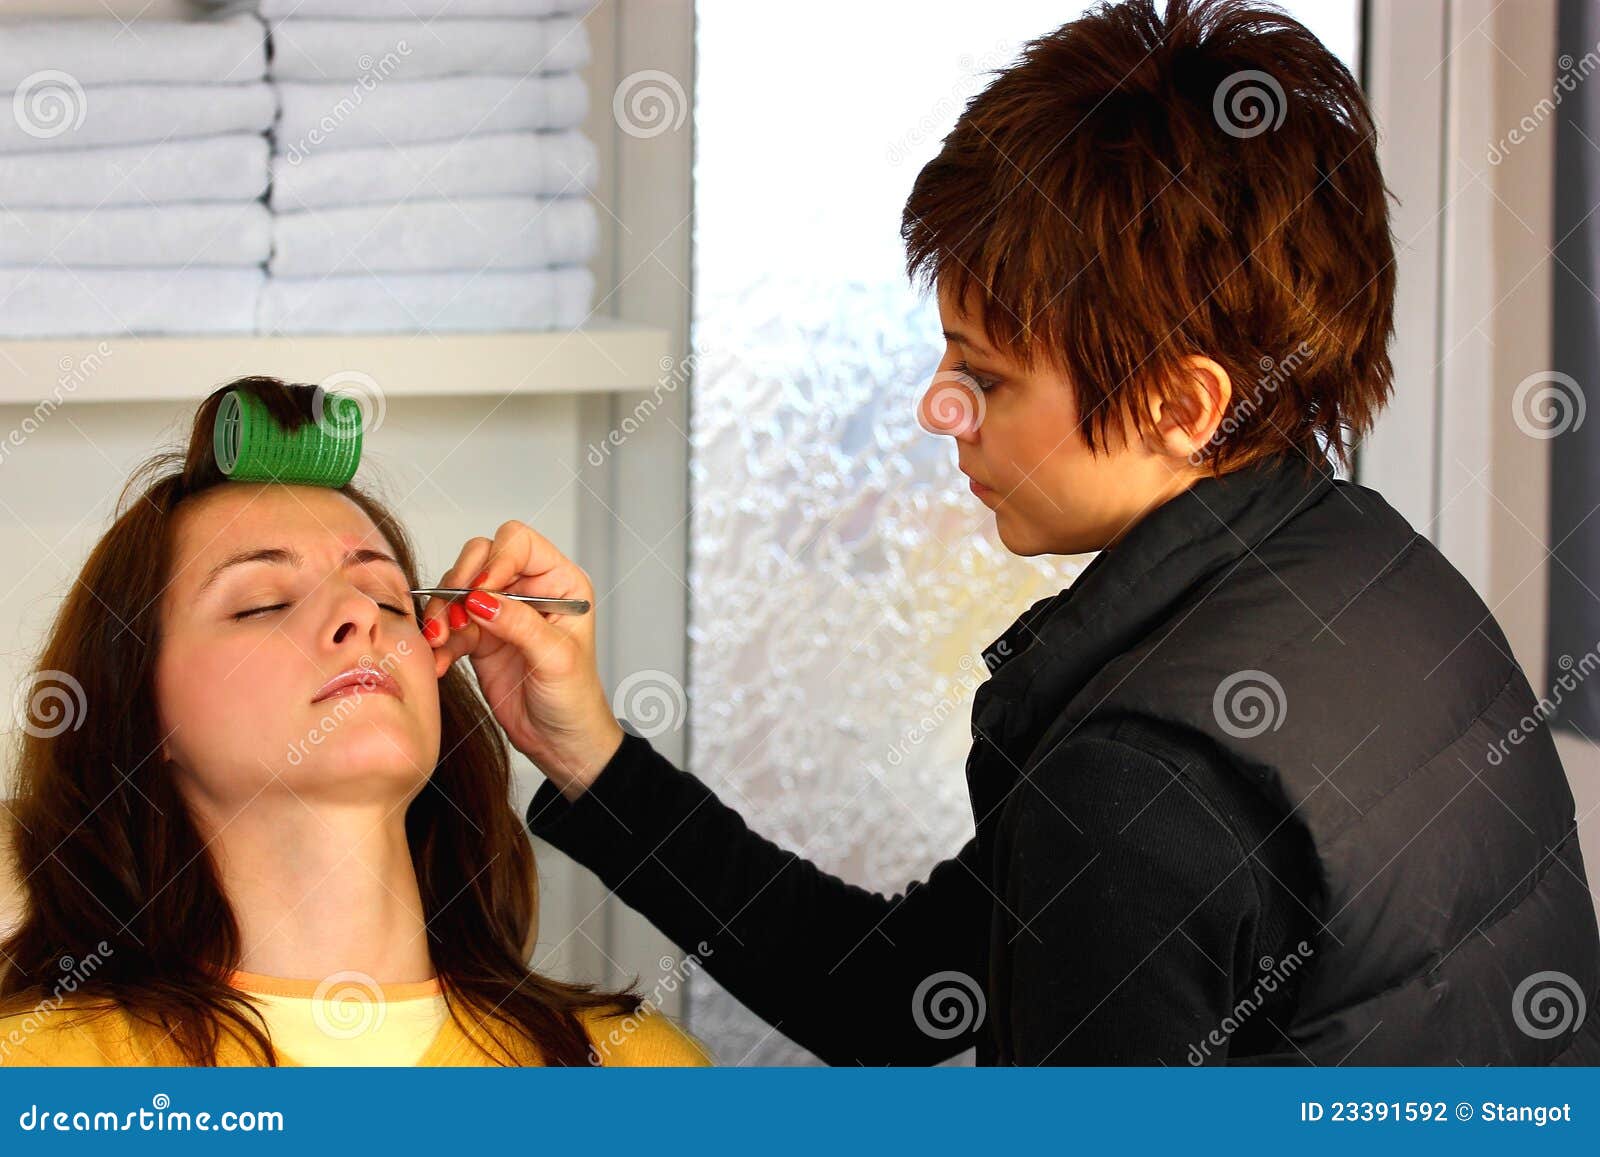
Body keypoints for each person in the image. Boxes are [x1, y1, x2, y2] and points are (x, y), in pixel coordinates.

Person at [422, 0, 1600, 1064]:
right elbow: (894, 992)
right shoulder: (1375, 568)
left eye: (985, 376)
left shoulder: (1146, 779)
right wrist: (585, 753)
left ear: (1182, 405)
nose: (939, 407)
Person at [0, 377, 709, 1068]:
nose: (360, 615)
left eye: (387, 596)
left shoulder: (634, 1071)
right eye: (263, 603)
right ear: (137, 709)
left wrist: (595, 756)